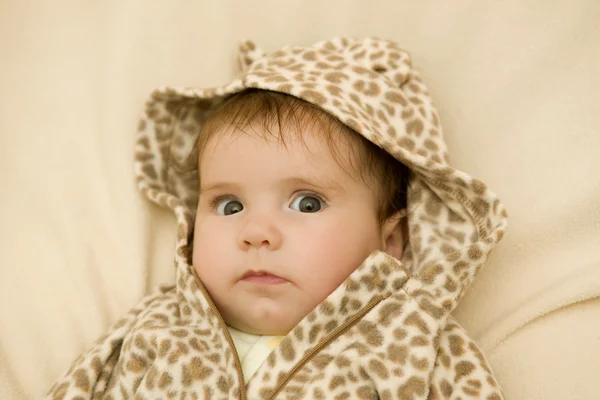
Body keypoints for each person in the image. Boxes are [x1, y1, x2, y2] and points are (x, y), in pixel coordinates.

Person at [46, 37, 508, 399]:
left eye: (307, 204)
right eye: (229, 206)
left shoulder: (411, 339)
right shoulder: (158, 329)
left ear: (391, 239)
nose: (256, 233)